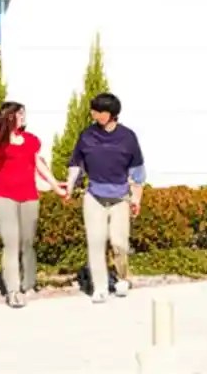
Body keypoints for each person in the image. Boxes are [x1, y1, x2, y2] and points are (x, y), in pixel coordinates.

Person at [0, 101, 68, 308]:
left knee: (27, 243)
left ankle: (28, 283)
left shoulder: (31, 141)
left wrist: (56, 187)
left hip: (30, 197)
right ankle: (13, 291)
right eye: (19, 114)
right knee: (11, 243)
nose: (23, 117)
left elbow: (40, 165)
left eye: (23, 113)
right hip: (4, 198)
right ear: (9, 117)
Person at [64, 92, 146, 304]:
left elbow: (137, 171)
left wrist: (136, 199)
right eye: (93, 109)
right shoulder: (87, 136)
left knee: (119, 244)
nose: (93, 113)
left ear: (110, 114)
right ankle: (99, 287)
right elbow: (76, 164)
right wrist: (70, 186)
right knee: (96, 242)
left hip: (120, 198)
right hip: (94, 197)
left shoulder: (128, 137)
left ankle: (122, 278)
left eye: (97, 110)